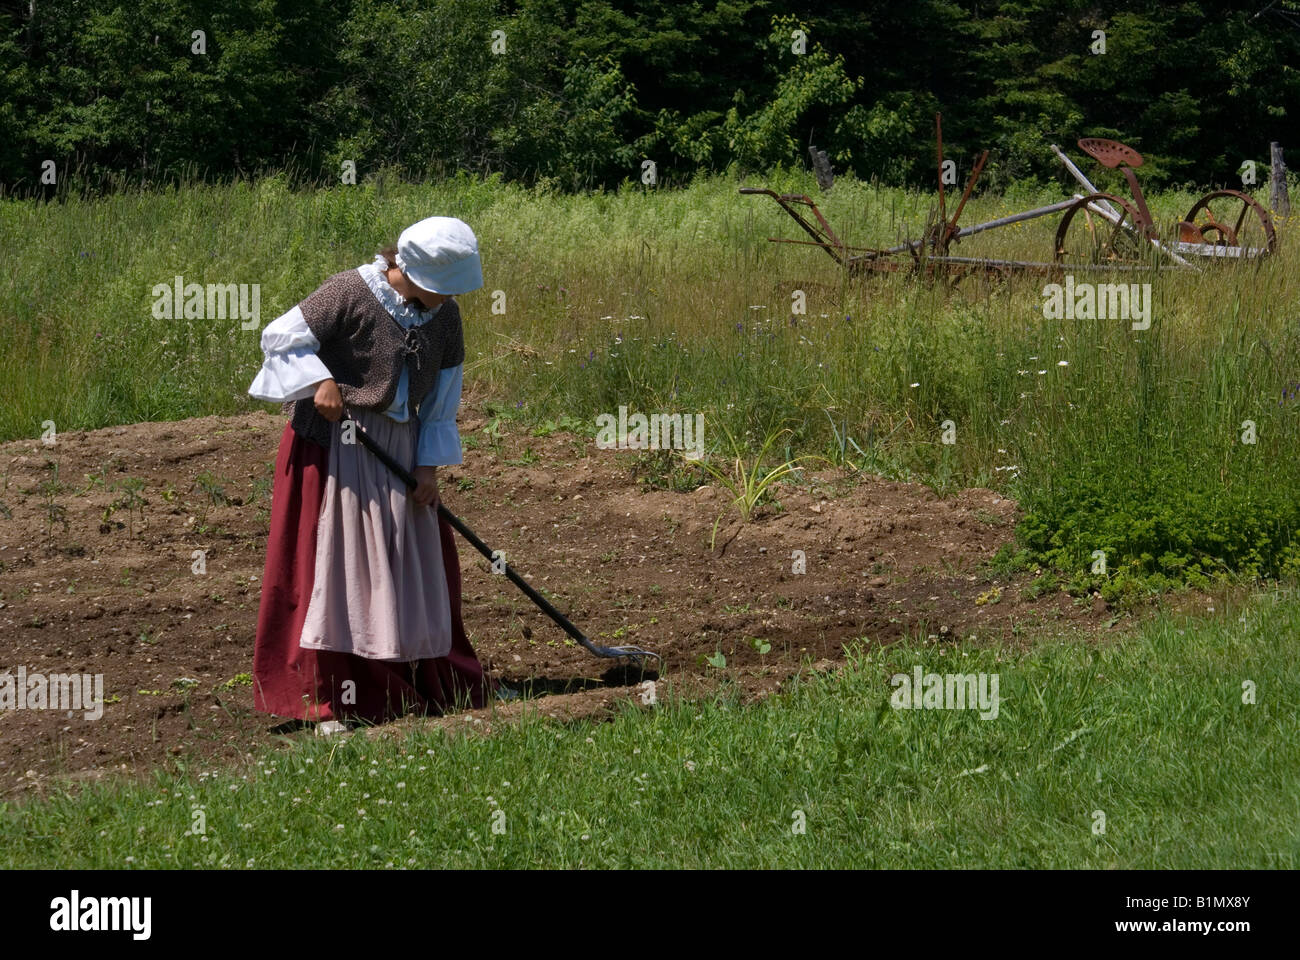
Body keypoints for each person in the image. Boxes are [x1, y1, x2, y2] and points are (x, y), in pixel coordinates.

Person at [247, 216, 495, 728]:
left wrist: (428, 468)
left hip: (401, 452)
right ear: (413, 273)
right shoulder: (349, 291)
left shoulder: (444, 318)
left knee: (416, 569)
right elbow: (280, 337)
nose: (448, 300)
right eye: (441, 290)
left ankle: (426, 684)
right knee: (335, 571)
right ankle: (329, 698)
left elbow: (443, 403)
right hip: (336, 448)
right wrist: (320, 379)